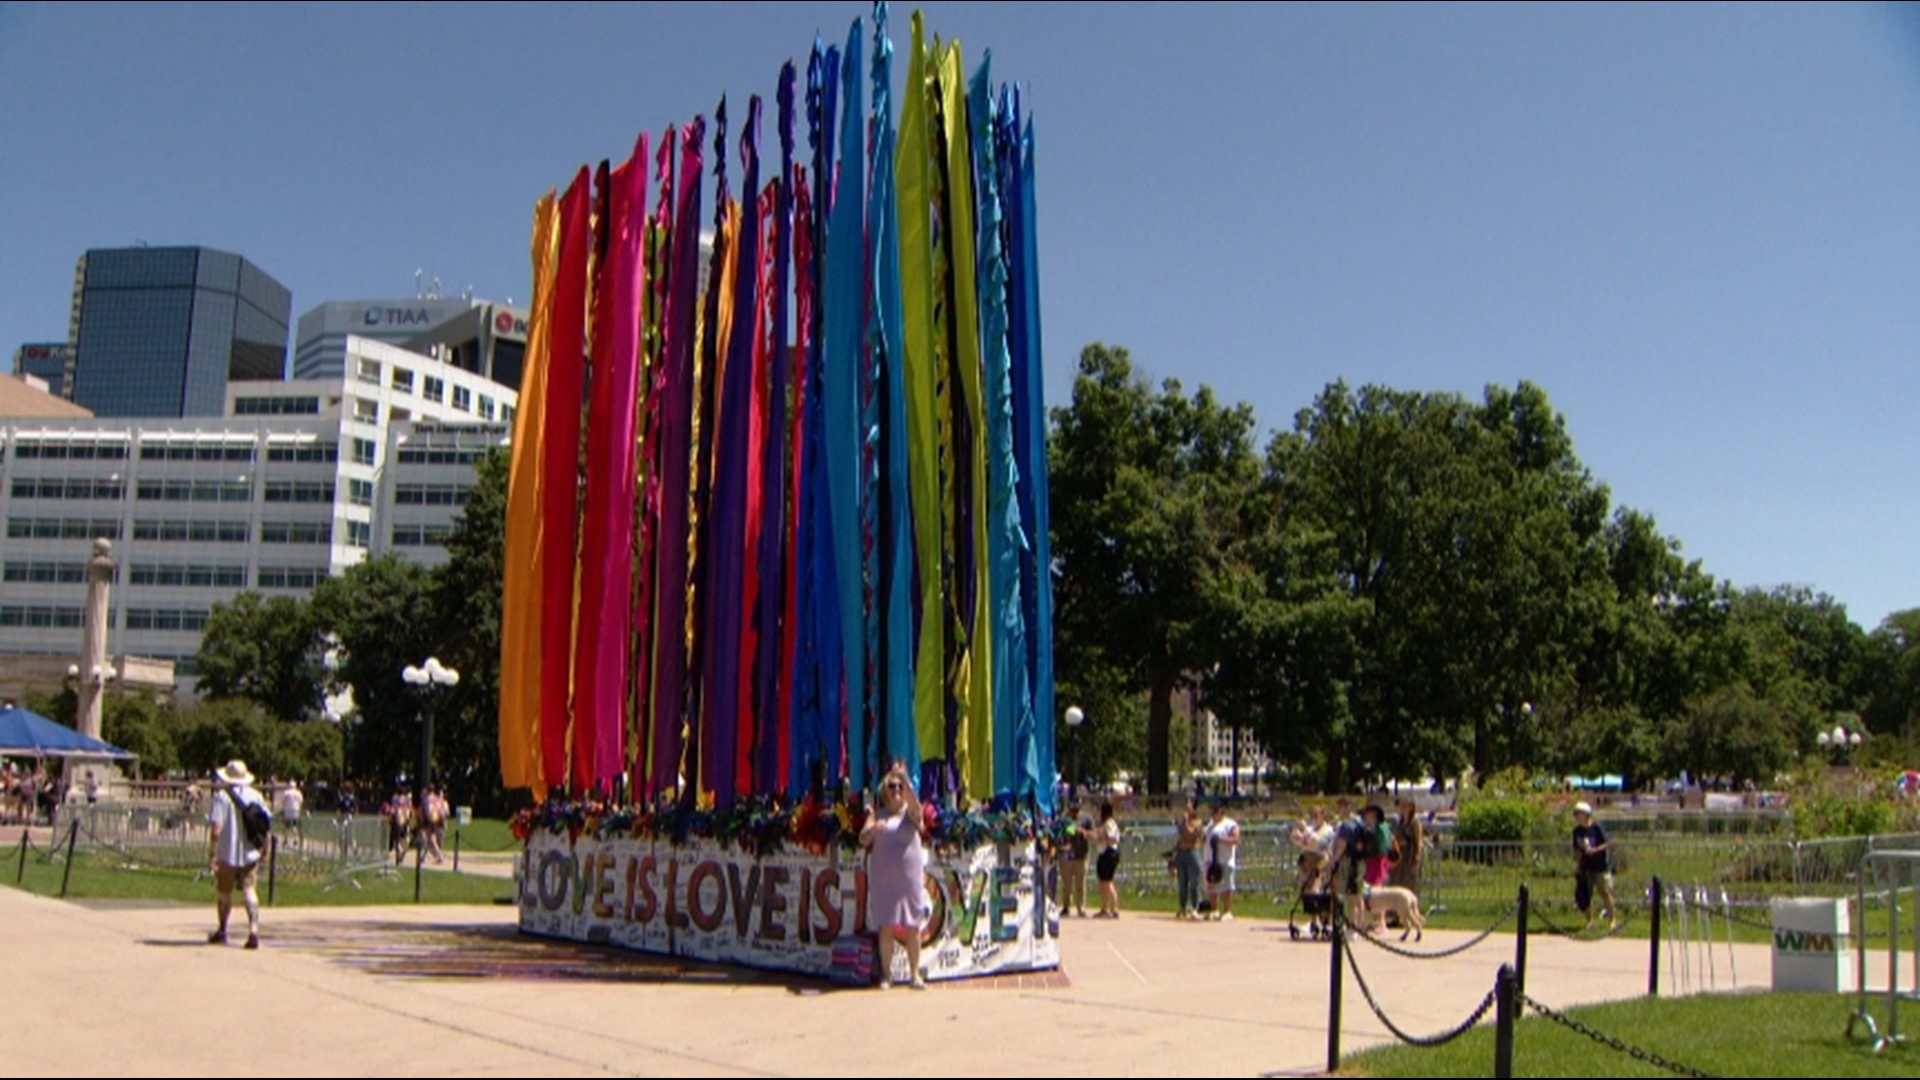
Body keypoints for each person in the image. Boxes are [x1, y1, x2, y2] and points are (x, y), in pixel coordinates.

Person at [860, 762, 930, 990]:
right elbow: (863, 838)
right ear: (885, 791)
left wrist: (905, 778)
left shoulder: (910, 813)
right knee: (886, 926)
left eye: (900, 787)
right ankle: (886, 975)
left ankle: (914, 974)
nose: (897, 791)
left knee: (913, 925)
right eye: (892, 786)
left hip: (909, 877)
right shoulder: (877, 814)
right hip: (884, 878)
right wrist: (874, 829)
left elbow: (918, 811)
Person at [207, 759, 267, 949]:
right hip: (250, 852)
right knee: (250, 889)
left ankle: (223, 929)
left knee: (224, 892)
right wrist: (265, 848)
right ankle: (253, 931)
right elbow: (265, 824)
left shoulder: (221, 797)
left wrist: (212, 854)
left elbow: (216, 829)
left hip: (227, 852)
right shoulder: (256, 796)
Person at [1571, 802, 1617, 930]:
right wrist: (1577, 865)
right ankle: (1589, 921)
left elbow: (1608, 843)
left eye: (1579, 814)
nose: (1576, 816)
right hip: (1586, 866)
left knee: (1605, 892)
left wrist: (1595, 850)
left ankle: (1613, 919)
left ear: (1586, 814)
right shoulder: (1577, 831)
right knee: (1586, 894)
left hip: (1600, 865)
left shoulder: (1597, 828)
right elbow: (1577, 850)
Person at [1204, 800, 1241, 921]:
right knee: (1212, 885)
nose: (1213, 814)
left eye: (1216, 811)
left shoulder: (1230, 824)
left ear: (1222, 812)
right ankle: (1214, 909)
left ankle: (1227, 910)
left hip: (1225, 859)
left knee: (1226, 886)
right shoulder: (1209, 826)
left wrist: (1221, 839)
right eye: (1212, 811)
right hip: (1211, 859)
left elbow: (1236, 839)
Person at [1173, 798, 1206, 920]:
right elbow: (1181, 836)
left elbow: (1190, 834)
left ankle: (1195, 907)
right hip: (1182, 853)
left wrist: (1186, 821)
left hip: (1192, 853)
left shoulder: (1198, 822)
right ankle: (1182, 908)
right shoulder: (1183, 822)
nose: (1186, 810)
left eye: (1189, 807)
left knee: (1194, 882)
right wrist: (1174, 853)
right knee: (1182, 882)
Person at [1387, 797, 1424, 895]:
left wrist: (1416, 860)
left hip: (1409, 858)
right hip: (1398, 858)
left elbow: (1418, 842)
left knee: (1409, 885)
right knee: (1395, 884)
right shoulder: (1398, 823)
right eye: (1402, 806)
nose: (1404, 808)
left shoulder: (1415, 823)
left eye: (1407, 806)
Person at [1059, 803, 1090, 918]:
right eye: (1072, 810)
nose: (1074, 812)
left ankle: (1081, 907)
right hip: (1067, 855)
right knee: (1066, 883)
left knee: (1080, 883)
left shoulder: (1086, 819)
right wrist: (1071, 829)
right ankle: (1066, 906)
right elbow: (1063, 833)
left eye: (1076, 810)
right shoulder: (1065, 819)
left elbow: (1092, 834)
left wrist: (1082, 831)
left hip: (1081, 855)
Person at [1094, 801, 1122, 918]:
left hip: (1108, 853)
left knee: (1107, 881)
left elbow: (1112, 838)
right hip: (1106, 853)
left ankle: (1113, 908)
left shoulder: (1109, 824)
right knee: (1104, 882)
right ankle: (1105, 908)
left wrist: (1101, 838)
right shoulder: (1107, 823)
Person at [275, 778, 304, 849]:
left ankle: (285, 841)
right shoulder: (298, 793)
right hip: (295, 811)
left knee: (286, 826)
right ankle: (295, 841)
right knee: (294, 826)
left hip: (287, 811)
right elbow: (301, 801)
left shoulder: (286, 793)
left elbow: (283, 801)